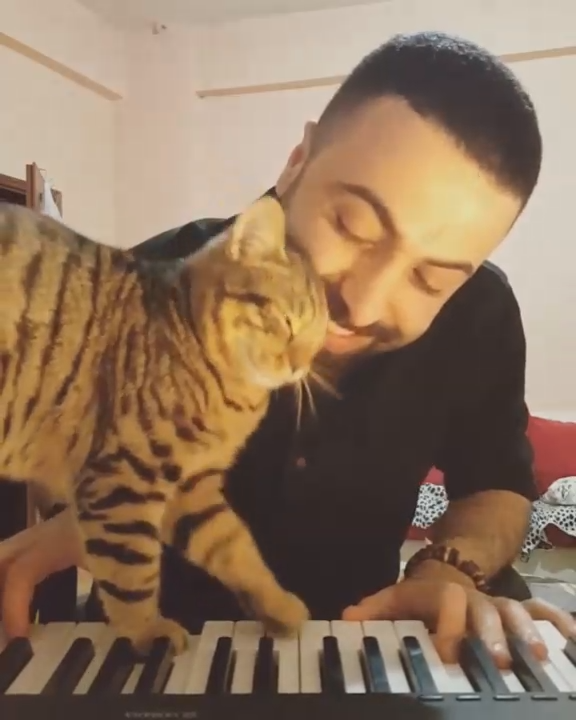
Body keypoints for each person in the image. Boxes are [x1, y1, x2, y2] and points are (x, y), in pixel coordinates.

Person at [1, 31, 575, 671]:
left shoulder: (480, 314)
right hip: (146, 657)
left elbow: (496, 481)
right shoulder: (149, 282)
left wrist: (447, 569)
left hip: (356, 653)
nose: (363, 304)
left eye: (430, 279)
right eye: (353, 226)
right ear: (297, 161)